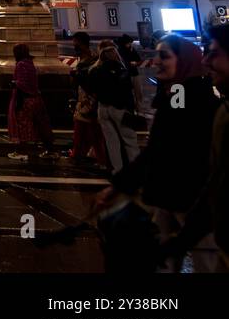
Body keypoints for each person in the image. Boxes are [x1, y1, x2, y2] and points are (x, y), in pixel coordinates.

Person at [94, 34, 218, 271]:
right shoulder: (178, 91)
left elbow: (163, 149)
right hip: (169, 195)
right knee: (162, 255)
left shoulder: (186, 96)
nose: (157, 60)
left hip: (191, 198)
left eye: (165, 56)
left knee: (204, 259)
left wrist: (121, 185)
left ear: (185, 62)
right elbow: (159, 148)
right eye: (157, 54)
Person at [171, 24, 229, 270]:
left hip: (186, 182)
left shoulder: (182, 88)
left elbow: (175, 122)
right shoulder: (214, 100)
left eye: (166, 56)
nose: (207, 60)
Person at [90, 41, 140, 173]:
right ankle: (135, 171)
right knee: (129, 140)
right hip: (120, 108)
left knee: (111, 142)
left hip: (103, 108)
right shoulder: (123, 68)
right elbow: (133, 89)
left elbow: (93, 91)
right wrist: (137, 106)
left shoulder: (94, 70)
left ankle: (117, 171)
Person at [7, 43, 55, 160]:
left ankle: (22, 151)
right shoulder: (30, 63)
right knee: (41, 125)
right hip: (36, 98)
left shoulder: (20, 64)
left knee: (22, 126)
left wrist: (14, 83)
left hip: (24, 100)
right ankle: (50, 150)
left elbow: (22, 83)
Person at [69, 32, 107, 168]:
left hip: (90, 99)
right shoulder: (87, 59)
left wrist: (78, 76)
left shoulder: (92, 61)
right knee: (82, 129)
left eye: (76, 43)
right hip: (83, 99)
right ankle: (80, 153)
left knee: (92, 131)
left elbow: (91, 82)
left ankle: (100, 158)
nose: (74, 46)